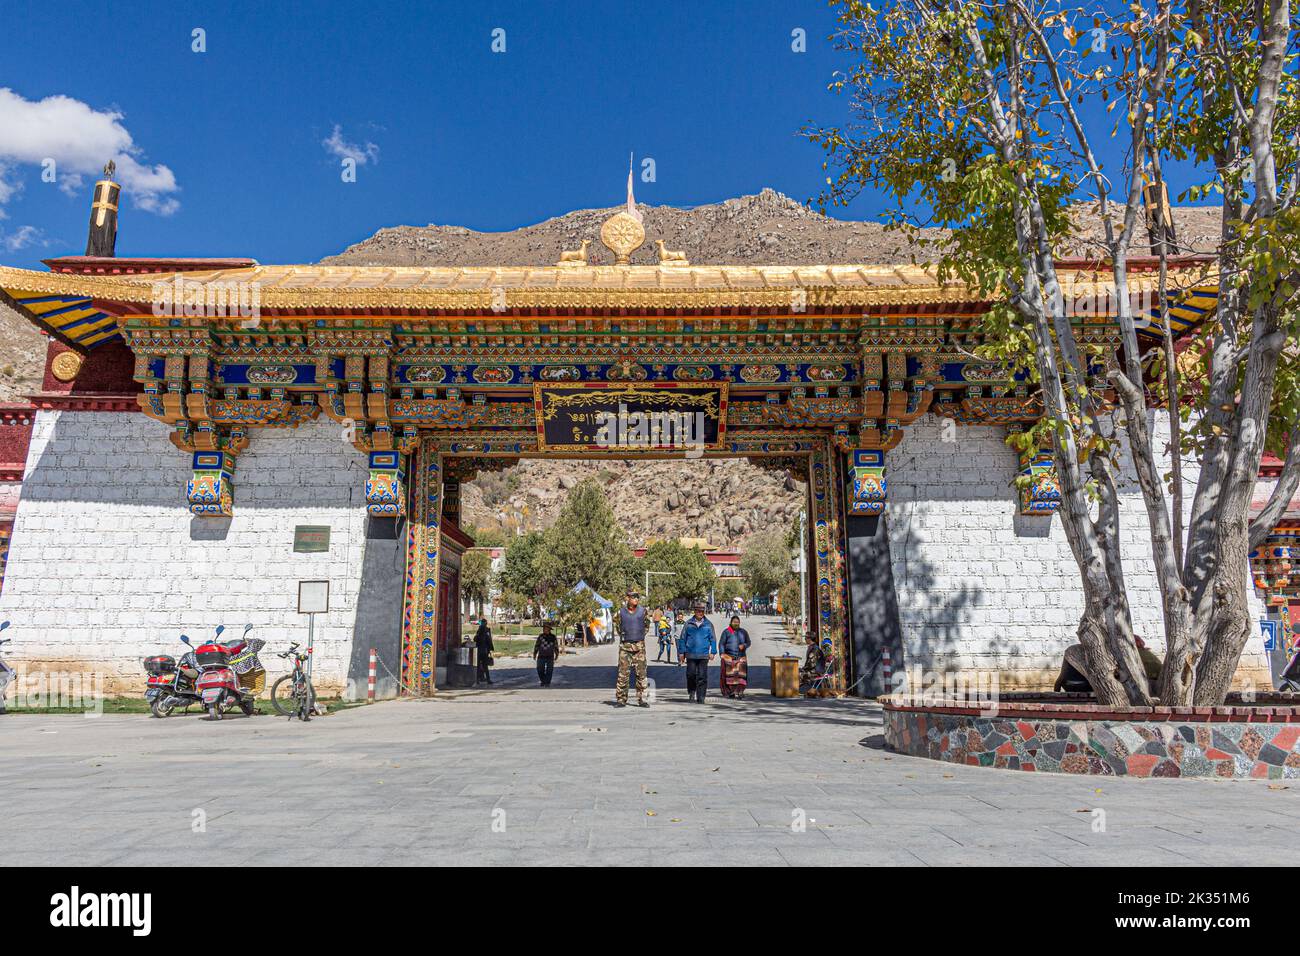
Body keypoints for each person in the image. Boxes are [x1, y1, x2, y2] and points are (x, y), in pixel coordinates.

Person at [615, 590, 650, 707]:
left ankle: (642, 699)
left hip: (639, 647)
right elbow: (618, 628)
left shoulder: (643, 611)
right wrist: (627, 637)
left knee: (641, 674)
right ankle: (621, 699)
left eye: (637, 597)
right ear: (627, 598)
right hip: (625, 647)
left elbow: (646, 626)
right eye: (633, 597)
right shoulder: (620, 612)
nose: (636, 599)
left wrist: (638, 636)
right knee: (623, 674)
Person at [678, 601, 717, 703]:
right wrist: (681, 653)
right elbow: (682, 639)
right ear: (694, 611)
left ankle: (701, 696)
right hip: (690, 654)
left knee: (702, 676)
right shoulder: (688, 624)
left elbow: (713, 639)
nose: (700, 613)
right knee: (690, 675)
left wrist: (713, 651)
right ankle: (691, 692)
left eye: (702, 611)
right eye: (698, 611)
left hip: (704, 655)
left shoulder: (709, 625)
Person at [718, 614, 752, 699]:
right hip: (729, 657)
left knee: (741, 676)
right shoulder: (726, 632)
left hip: (741, 657)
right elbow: (721, 643)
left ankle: (740, 692)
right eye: (734, 622)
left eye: (737, 622)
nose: (736, 623)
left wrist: (744, 645)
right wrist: (722, 654)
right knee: (731, 677)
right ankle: (731, 692)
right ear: (731, 622)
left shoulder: (743, 632)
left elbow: (748, 642)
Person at [533, 622, 560, 687]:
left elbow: (556, 646)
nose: (544, 629)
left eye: (545, 628)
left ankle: (547, 682)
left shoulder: (553, 637)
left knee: (549, 670)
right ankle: (543, 680)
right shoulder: (540, 636)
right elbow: (537, 645)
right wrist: (535, 653)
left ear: (549, 629)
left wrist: (557, 654)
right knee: (539, 669)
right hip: (541, 656)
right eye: (543, 628)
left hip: (550, 656)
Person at [474, 618, 494, 685]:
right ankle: (487, 679)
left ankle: (478, 679)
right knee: (485, 666)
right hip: (484, 651)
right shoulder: (486, 632)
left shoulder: (479, 633)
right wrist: (491, 649)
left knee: (479, 665)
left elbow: (475, 640)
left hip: (479, 651)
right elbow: (489, 642)